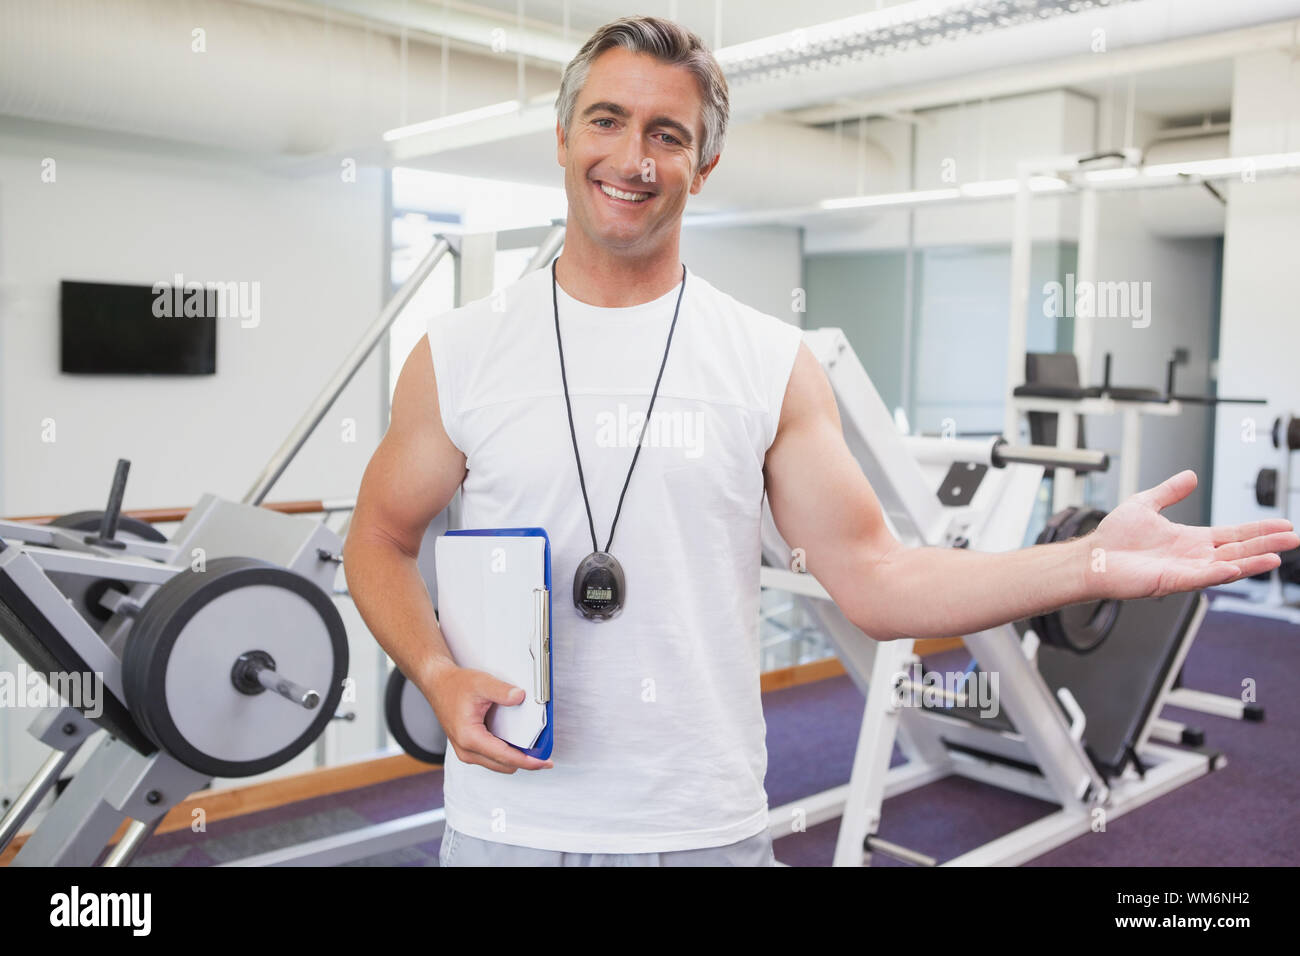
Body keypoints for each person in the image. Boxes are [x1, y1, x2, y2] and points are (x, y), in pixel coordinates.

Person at [343, 15, 1299, 867]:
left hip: (703, 827)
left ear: (702, 166)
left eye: (666, 135)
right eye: (606, 120)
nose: (632, 157)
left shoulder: (767, 360)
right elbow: (378, 540)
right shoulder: (460, 352)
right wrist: (433, 668)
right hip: (508, 825)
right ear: (562, 137)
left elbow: (880, 581)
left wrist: (1087, 562)